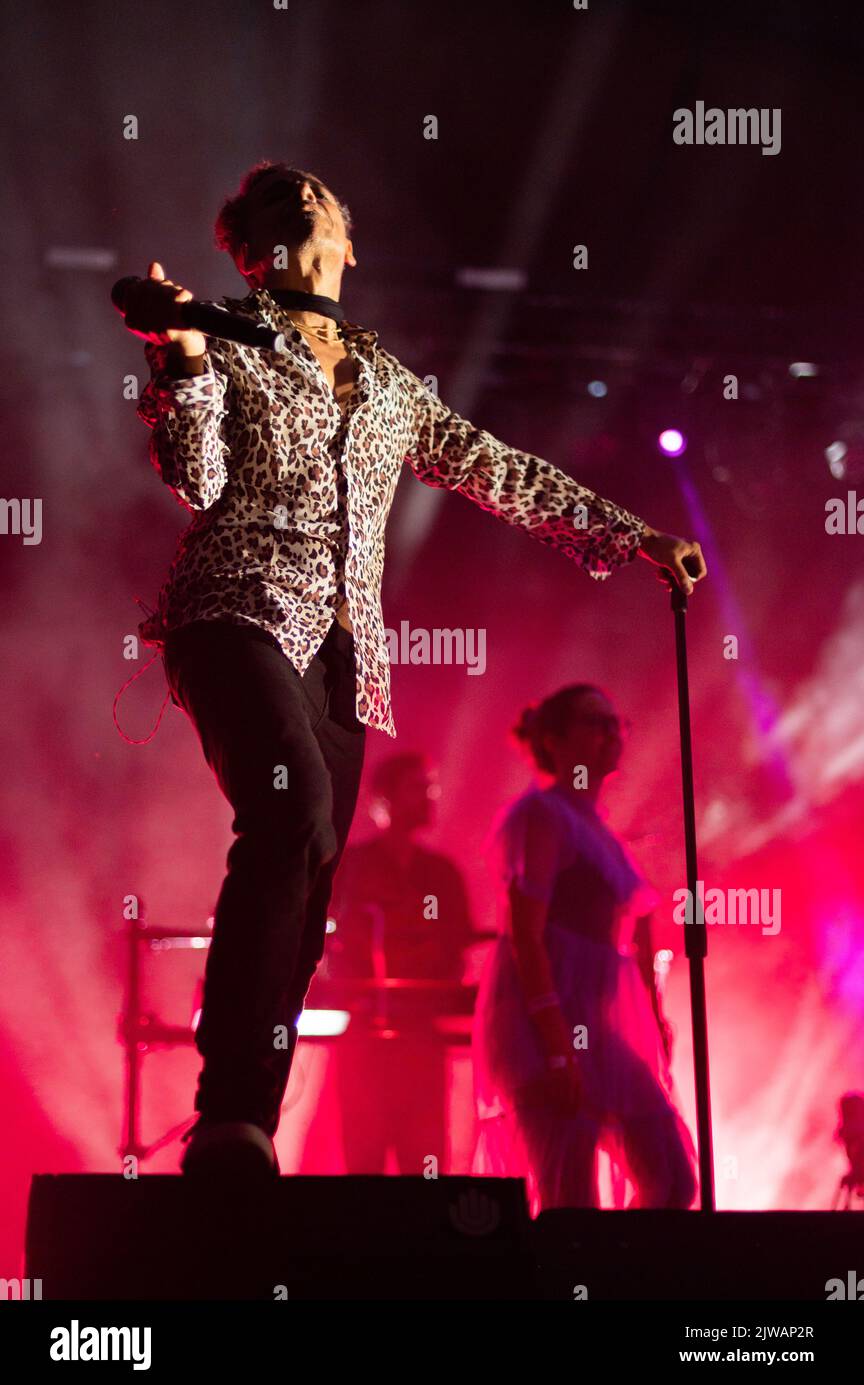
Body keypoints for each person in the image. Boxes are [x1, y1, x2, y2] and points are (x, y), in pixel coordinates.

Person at [121, 160, 707, 1179]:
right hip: (235, 611)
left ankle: (247, 1122)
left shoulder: (390, 386)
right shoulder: (221, 330)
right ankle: (224, 1117)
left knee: (309, 885)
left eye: (317, 194)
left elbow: (501, 471)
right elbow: (198, 478)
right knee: (290, 807)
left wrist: (635, 534)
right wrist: (180, 355)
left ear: (349, 241)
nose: (300, 191)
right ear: (254, 249)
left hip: (346, 655)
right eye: (273, 200)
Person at [472, 684, 698, 1212]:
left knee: (671, 1177)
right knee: (569, 1193)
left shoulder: (599, 829)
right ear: (554, 739)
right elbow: (525, 936)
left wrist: (653, 1019)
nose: (611, 734)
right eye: (594, 723)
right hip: (543, 1022)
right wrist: (555, 1045)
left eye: (616, 723)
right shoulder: (542, 815)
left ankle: (620, 1281)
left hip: (600, 1026)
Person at [326, 751, 476, 1174]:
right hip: (363, 1034)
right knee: (363, 1162)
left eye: (431, 788)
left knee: (424, 1160)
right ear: (385, 798)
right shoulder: (351, 868)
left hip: (421, 1037)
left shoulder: (441, 872)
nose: (430, 798)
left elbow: (456, 952)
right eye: (419, 788)